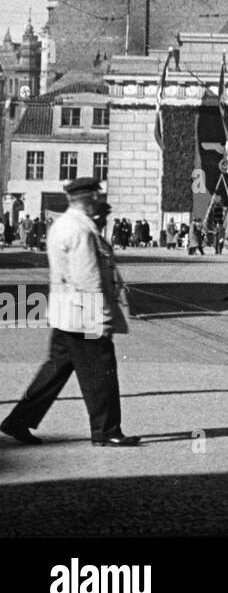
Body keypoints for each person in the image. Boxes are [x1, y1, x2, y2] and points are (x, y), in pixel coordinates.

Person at [1, 179, 139, 448]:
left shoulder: (63, 225)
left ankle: (18, 420)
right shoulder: (81, 230)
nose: (99, 203)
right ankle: (107, 431)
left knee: (55, 370)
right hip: (84, 316)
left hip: (66, 313)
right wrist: (101, 319)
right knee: (101, 372)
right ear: (88, 199)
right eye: (97, 198)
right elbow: (87, 278)